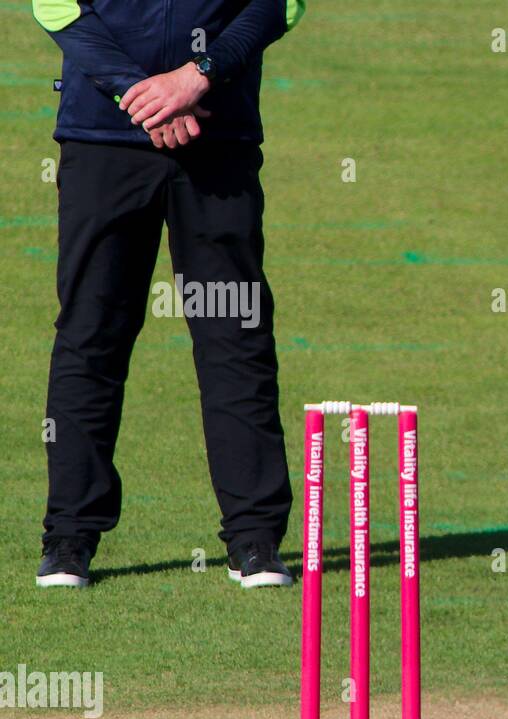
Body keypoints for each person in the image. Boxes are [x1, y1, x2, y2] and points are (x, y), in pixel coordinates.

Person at [33, 0, 305, 588]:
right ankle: (69, 539)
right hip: (103, 141)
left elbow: (281, 3)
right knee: (91, 336)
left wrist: (197, 75)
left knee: (234, 338)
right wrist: (141, 95)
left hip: (217, 141)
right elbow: (53, 7)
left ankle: (254, 540)